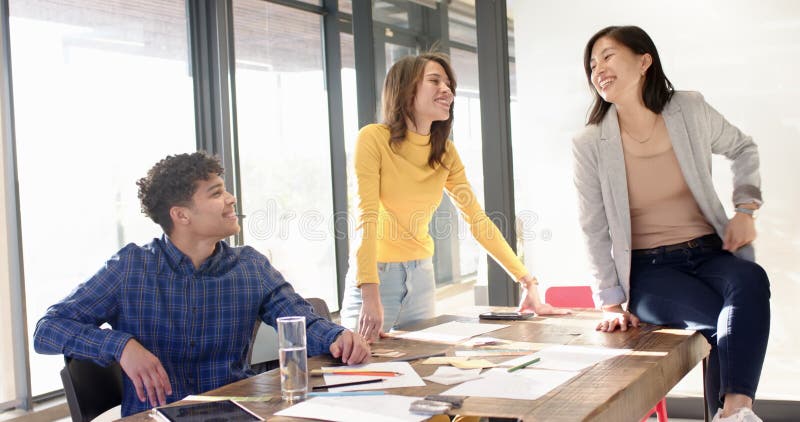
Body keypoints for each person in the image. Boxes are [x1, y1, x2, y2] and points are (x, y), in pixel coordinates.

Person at [33, 152, 370, 417]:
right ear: (182, 215)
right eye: (217, 193)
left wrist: (338, 337)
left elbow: (301, 321)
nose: (231, 198)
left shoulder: (250, 266)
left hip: (236, 413)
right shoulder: (130, 268)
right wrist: (121, 346)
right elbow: (48, 329)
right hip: (157, 416)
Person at [573, 26, 770, 422]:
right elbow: (593, 227)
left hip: (709, 252)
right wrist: (611, 302)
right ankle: (735, 414)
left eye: (608, 56)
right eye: (592, 65)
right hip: (649, 271)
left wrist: (745, 210)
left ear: (644, 61)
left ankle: (734, 410)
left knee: (751, 279)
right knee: (723, 319)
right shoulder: (590, 142)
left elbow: (743, 147)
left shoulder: (689, 109)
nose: (598, 70)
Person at [340, 52, 567, 341]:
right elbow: (366, 216)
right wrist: (370, 295)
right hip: (375, 278)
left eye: (449, 84)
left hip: (421, 277)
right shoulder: (373, 138)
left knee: (421, 366)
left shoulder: (445, 152)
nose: (446, 90)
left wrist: (527, 281)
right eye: (435, 81)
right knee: (360, 363)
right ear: (405, 89)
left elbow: (477, 220)